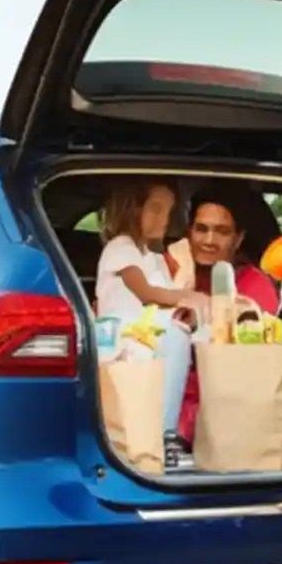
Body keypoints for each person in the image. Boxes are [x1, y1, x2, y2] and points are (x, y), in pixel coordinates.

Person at [94, 178, 208, 466]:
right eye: (155, 209)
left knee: (187, 333)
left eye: (168, 212)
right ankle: (165, 435)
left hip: (150, 339)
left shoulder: (155, 258)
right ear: (132, 210)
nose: (163, 219)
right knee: (174, 336)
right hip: (121, 343)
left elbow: (166, 302)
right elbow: (146, 293)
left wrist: (186, 306)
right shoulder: (120, 248)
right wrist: (186, 296)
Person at [173, 183, 281, 444]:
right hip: (166, 401)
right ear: (189, 233)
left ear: (238, 238)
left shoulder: (254, 284)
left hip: (221, 414)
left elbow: (246, 360)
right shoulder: (175, 272)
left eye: (222, 231)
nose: (209, 240)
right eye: (201, 229)